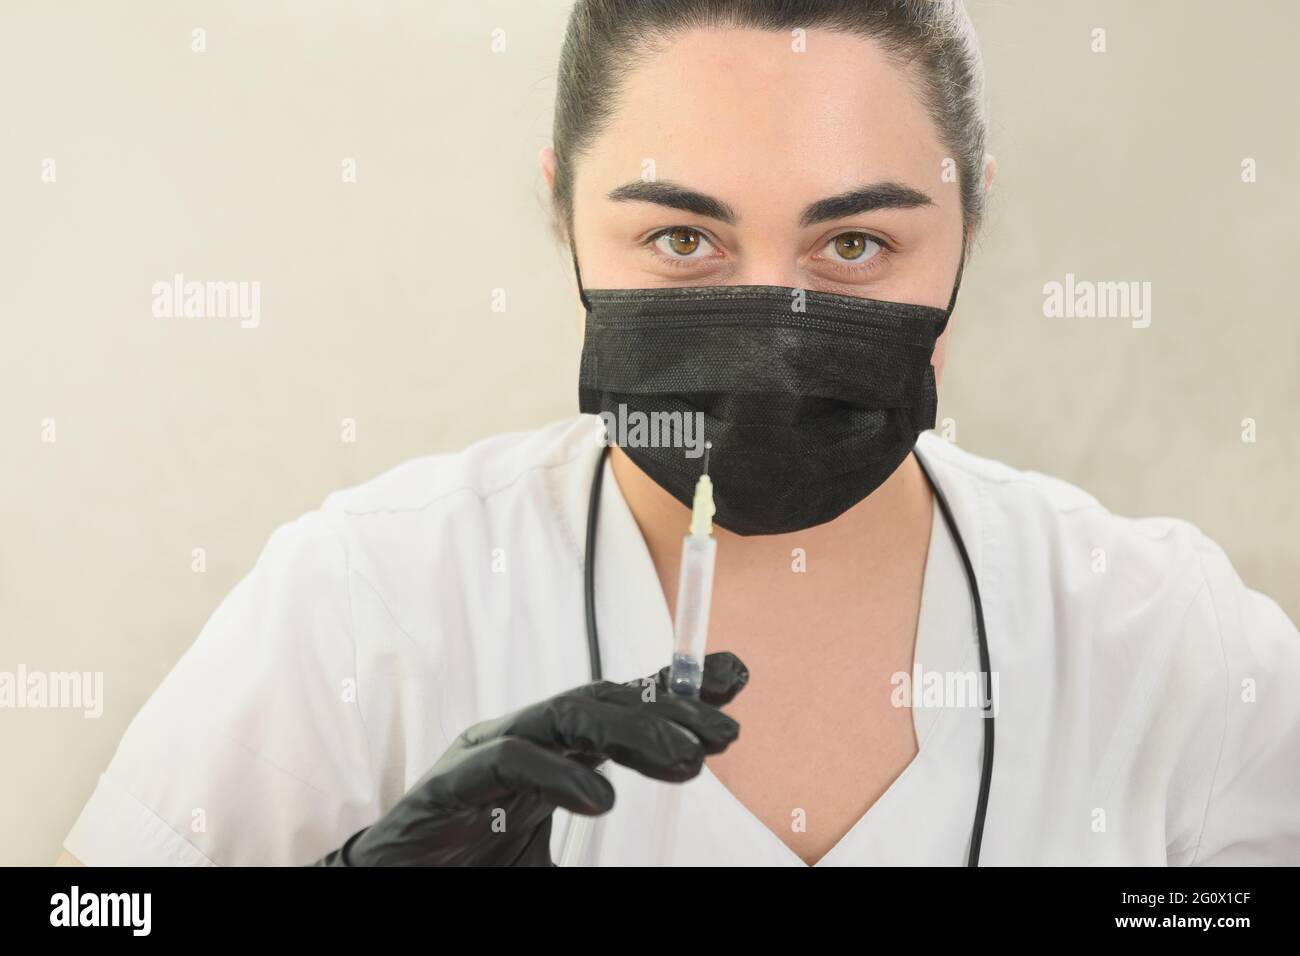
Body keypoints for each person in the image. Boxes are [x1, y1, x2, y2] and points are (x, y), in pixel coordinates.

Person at [59, 0, 1299, 867]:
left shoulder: (1164, 642)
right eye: (682, 240)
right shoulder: (371, 595)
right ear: (563, 214)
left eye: (854, 244)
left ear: (967, 223)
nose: (765, 331)